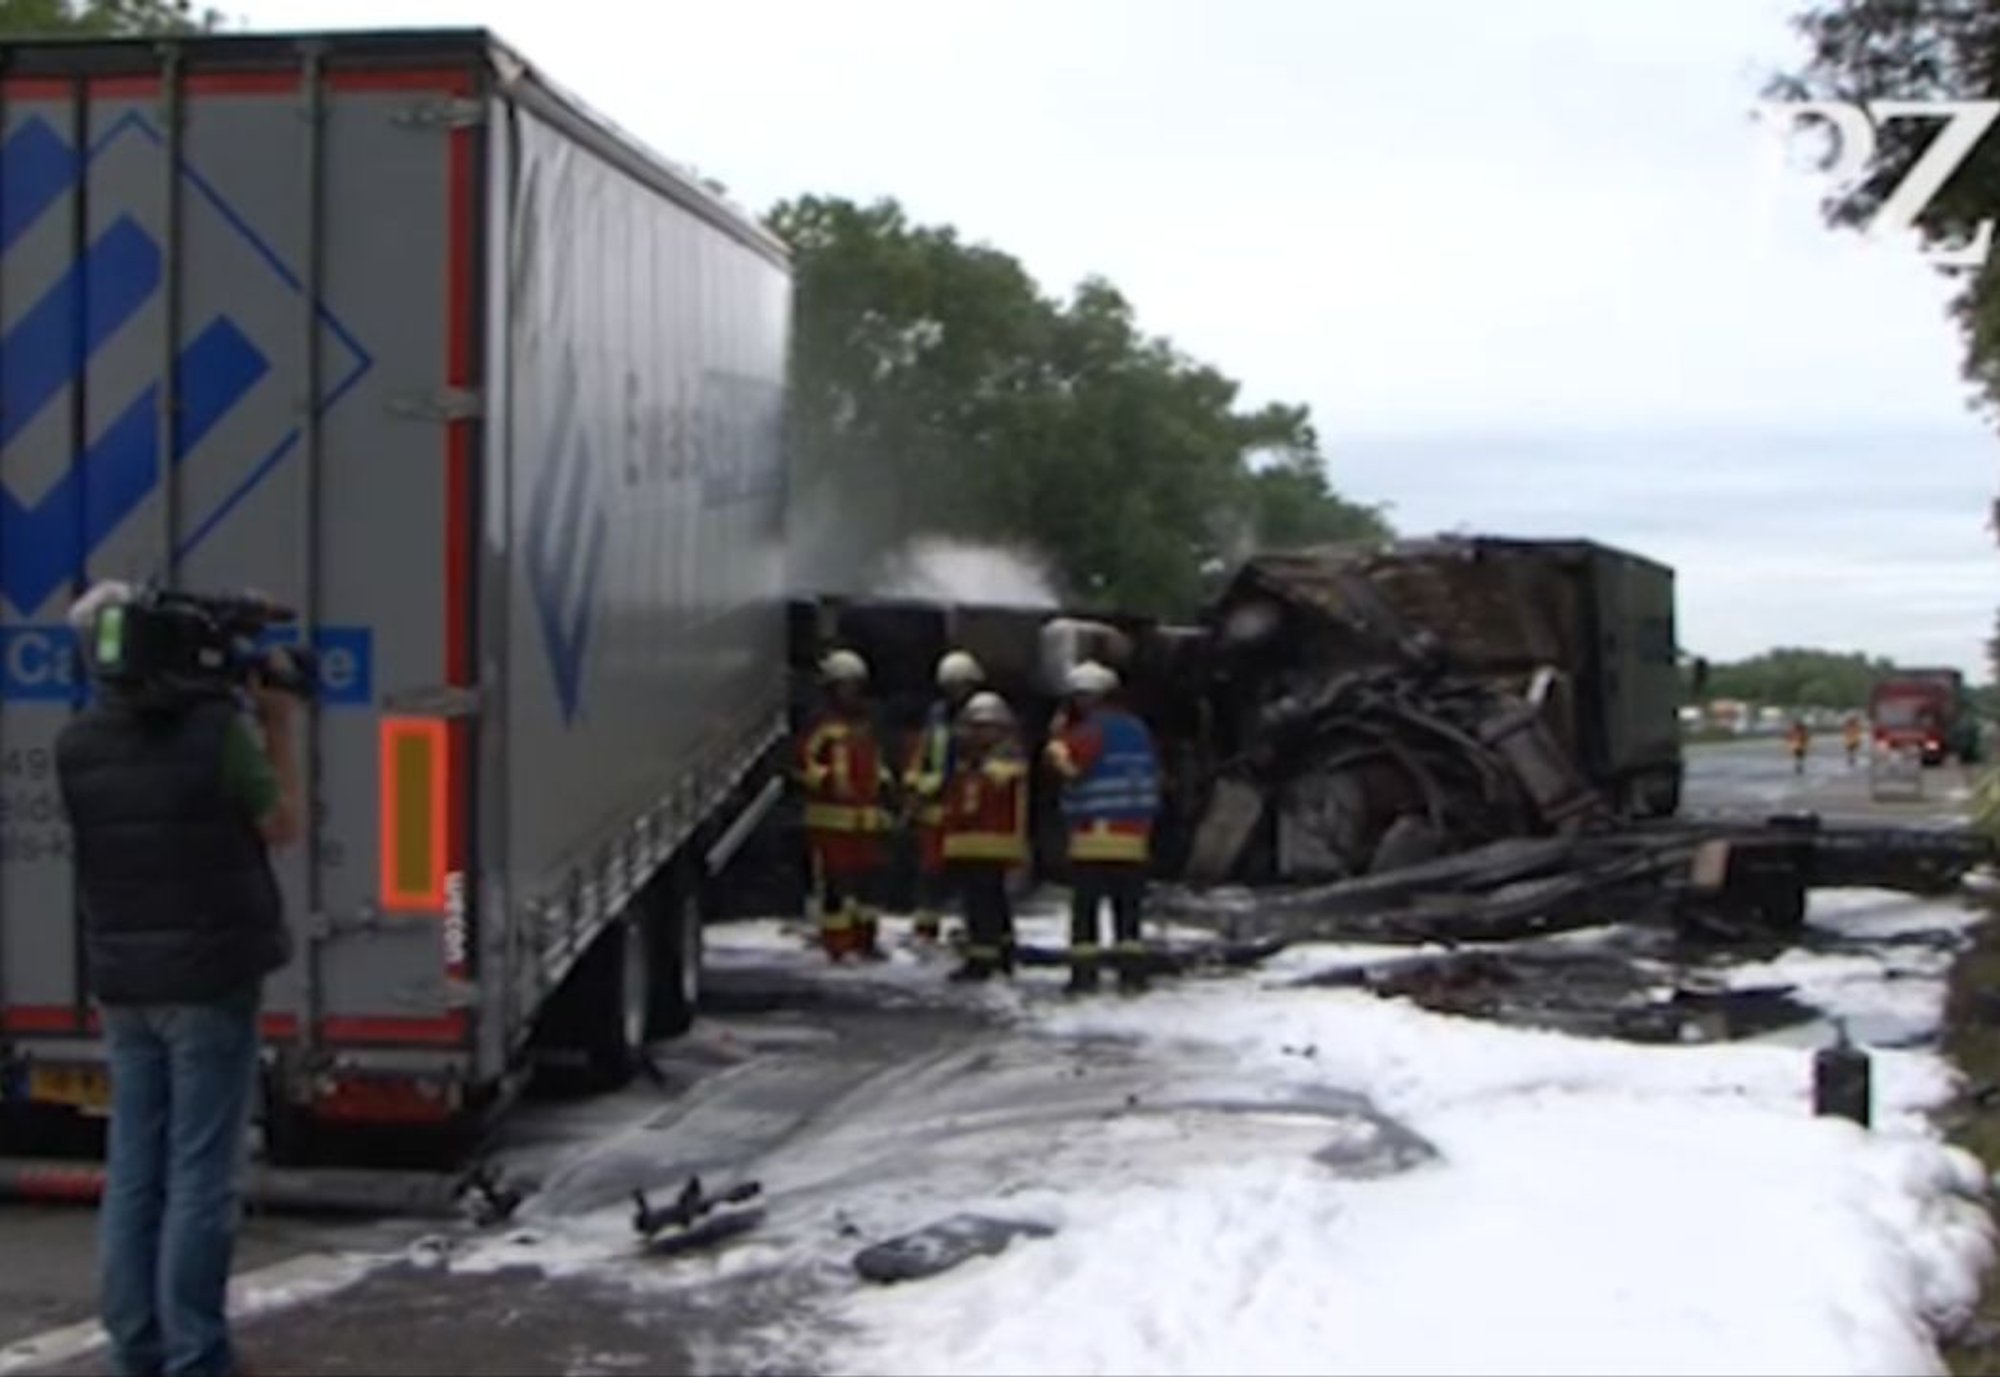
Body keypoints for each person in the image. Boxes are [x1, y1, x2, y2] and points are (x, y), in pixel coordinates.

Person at [54, 581, 302, 1377]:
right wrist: (278, 727)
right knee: (201, 1173)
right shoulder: (218, 735)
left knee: (134, 1171)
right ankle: (196, 1353)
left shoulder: (77, 743)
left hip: (125, 981)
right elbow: (281, 824)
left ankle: (136, 1346)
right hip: (211, 982)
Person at [1043, 660, 1161, 995]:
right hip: (1134, 838)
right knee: (1128, 914)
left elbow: (1069, 768)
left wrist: (1056, 742)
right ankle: (1132, 977)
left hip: (1094, 837)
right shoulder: (1139, 729)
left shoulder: (1089, 731)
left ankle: (1084, 978)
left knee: (1086, 912)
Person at [796, 648, 893, 962]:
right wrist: (824, 780)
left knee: (869, 886)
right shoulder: (820, 722)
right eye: (844, 685)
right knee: (837, 886)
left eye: (855, 684)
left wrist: (886, 784)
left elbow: (877, 759)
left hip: (866, 818)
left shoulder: (869, 720)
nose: (850, 691)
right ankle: (837, 945)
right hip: (831, 821)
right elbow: (802, 762)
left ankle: (866, 941)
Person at [939, 691, 1029, 982]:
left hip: (991, 842)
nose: (977, 733)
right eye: (974, 727)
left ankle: (983, 961)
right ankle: (1000, 954)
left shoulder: (1004, 760)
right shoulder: (970, 760)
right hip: (973, 843)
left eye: (985, 727)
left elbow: (984, 795)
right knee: (987, 902)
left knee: (983, 904)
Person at [903, 651, 985, 944]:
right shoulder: (936, 716)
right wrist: (914, 789)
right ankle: (926, 928)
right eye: (950, 685)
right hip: (935, 807)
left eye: (961, 685)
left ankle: (971, 926)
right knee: (930, 872)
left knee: (970, 872)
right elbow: (922, 755)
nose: (955, 691)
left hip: (968, 807)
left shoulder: (984, 716)